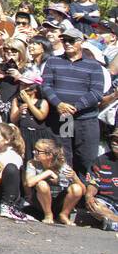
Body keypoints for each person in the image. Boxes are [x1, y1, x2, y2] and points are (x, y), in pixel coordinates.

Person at [40, 26, 107, 179]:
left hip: (86, 121)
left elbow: (96, 93)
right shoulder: (53, 61)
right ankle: (69, 193)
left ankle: (87, 195)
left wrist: (75, 107)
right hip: (65, 119)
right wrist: (58, 104)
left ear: (81, 42)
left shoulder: (94, 65)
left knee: (86, 158)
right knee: (65, 156)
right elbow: (46, 85)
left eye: (71, 40)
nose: (67, 43)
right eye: (64, 40)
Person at [24, 137, 85, 225]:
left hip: (58, 201)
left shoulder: (63, 167)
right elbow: (29, 183)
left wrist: (75, 177)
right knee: (42, 184)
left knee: (76, 188)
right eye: (34, 150)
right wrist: (48, 172)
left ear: (49, 155)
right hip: (40, 202)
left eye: (38, 151)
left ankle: (63, 215)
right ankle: (48, 214)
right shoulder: (32, 163)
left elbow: (82, 191)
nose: (34, 152)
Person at [81, 131, 118, 231]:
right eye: (113, 139)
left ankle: (114, 224)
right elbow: (93, 182)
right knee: (95, 206)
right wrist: (89, 195)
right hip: (107, 203)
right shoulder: (101, 160)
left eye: (117, 140)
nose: (114, 142)